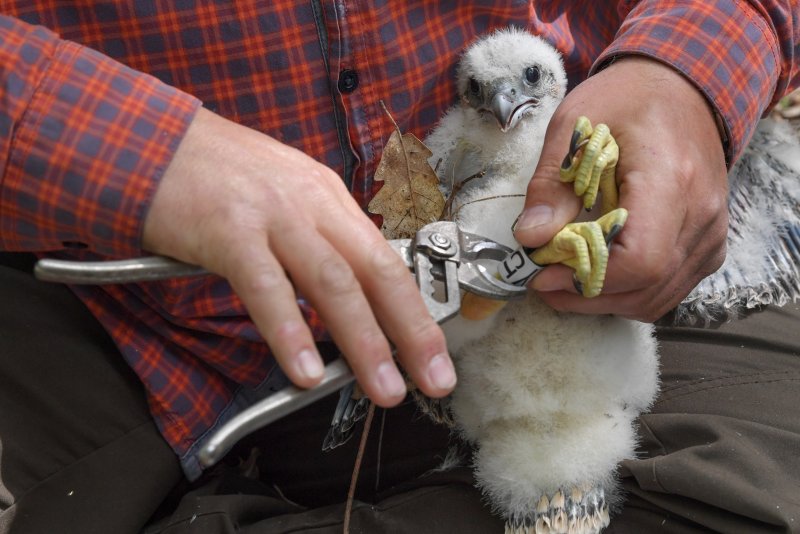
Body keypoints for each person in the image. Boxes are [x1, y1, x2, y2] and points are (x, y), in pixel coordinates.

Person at [0, 2, 798, 533]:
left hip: (606, 273)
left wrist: (689, 69)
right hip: (119, 313)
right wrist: (136, 151)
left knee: (764, 485)